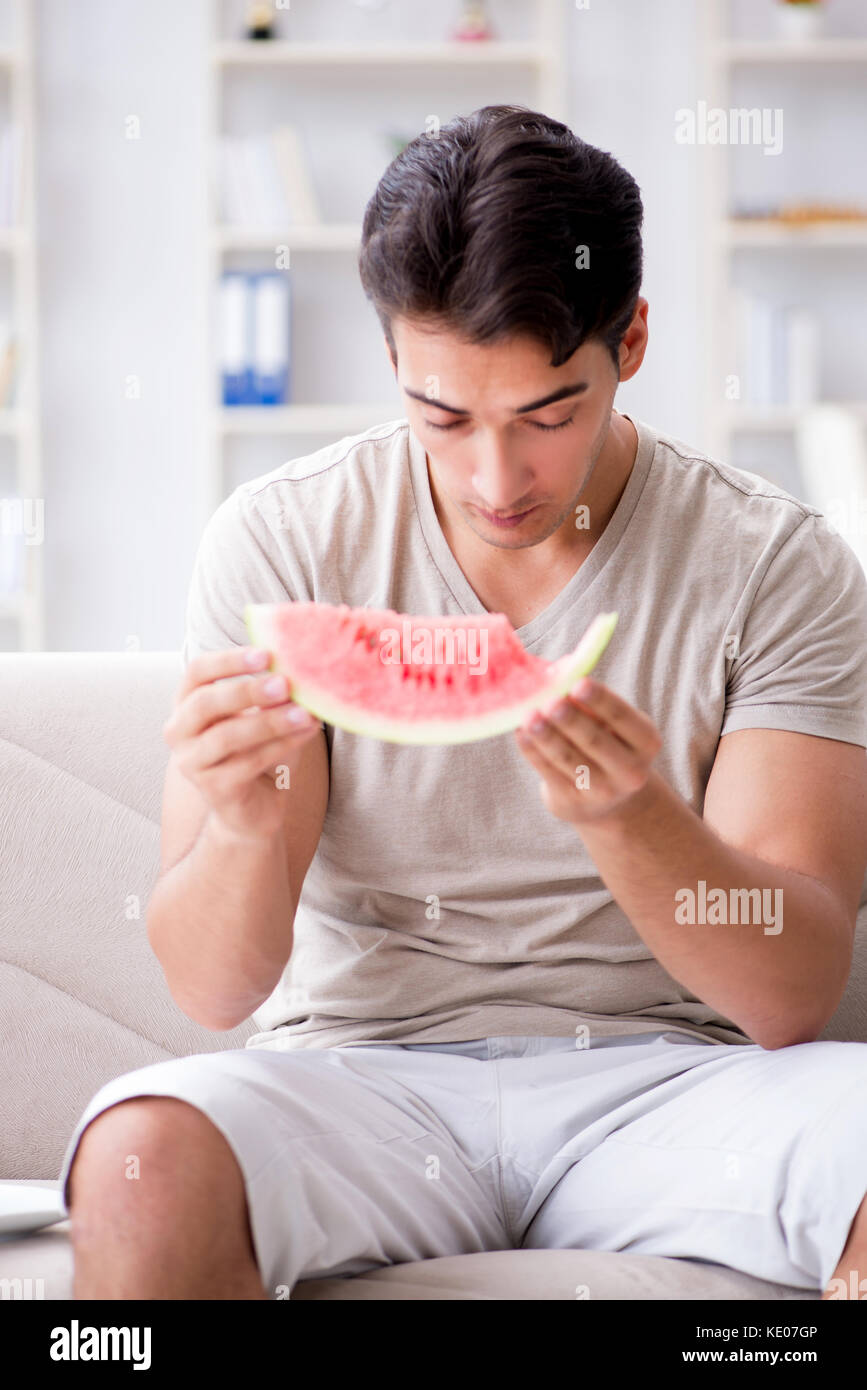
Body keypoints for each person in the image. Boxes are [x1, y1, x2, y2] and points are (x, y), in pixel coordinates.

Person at [60, 105, 867, 1300]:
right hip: (359, 1076)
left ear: (631, 338)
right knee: (139, 1163)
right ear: (392, 359)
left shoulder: (774, 562)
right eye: (443, 419)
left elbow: (792, 995)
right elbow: (216, 992)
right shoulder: (284, 542)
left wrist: (636, 818)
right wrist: (238, 826)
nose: (498, 480)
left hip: (678, 1084)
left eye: (549, 415)